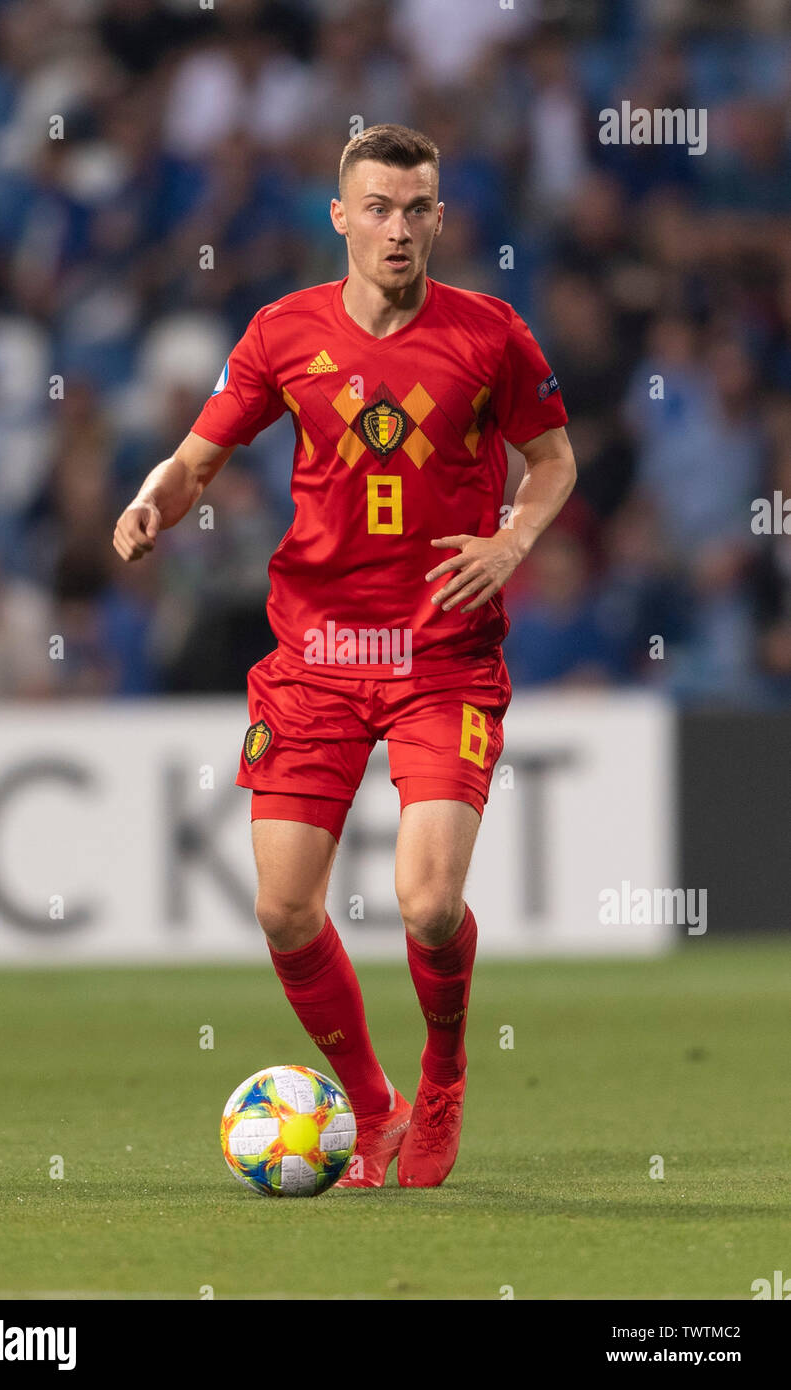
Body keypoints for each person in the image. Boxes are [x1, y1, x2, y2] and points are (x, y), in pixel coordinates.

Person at [113, 124, 576, 1187]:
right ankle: (372, 1107)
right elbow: (194, 461)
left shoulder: (491, 335)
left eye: (417, 209)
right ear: (340, 216)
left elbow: (551, 460)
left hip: (441, 654)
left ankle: (446, 1067)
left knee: (424, 901)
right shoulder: (283, 333)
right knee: (281, 908)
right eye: (378, 207)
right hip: (313, 653)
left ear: (440, 219)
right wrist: (150, 504)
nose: (398, 229)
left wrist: (511, 539)